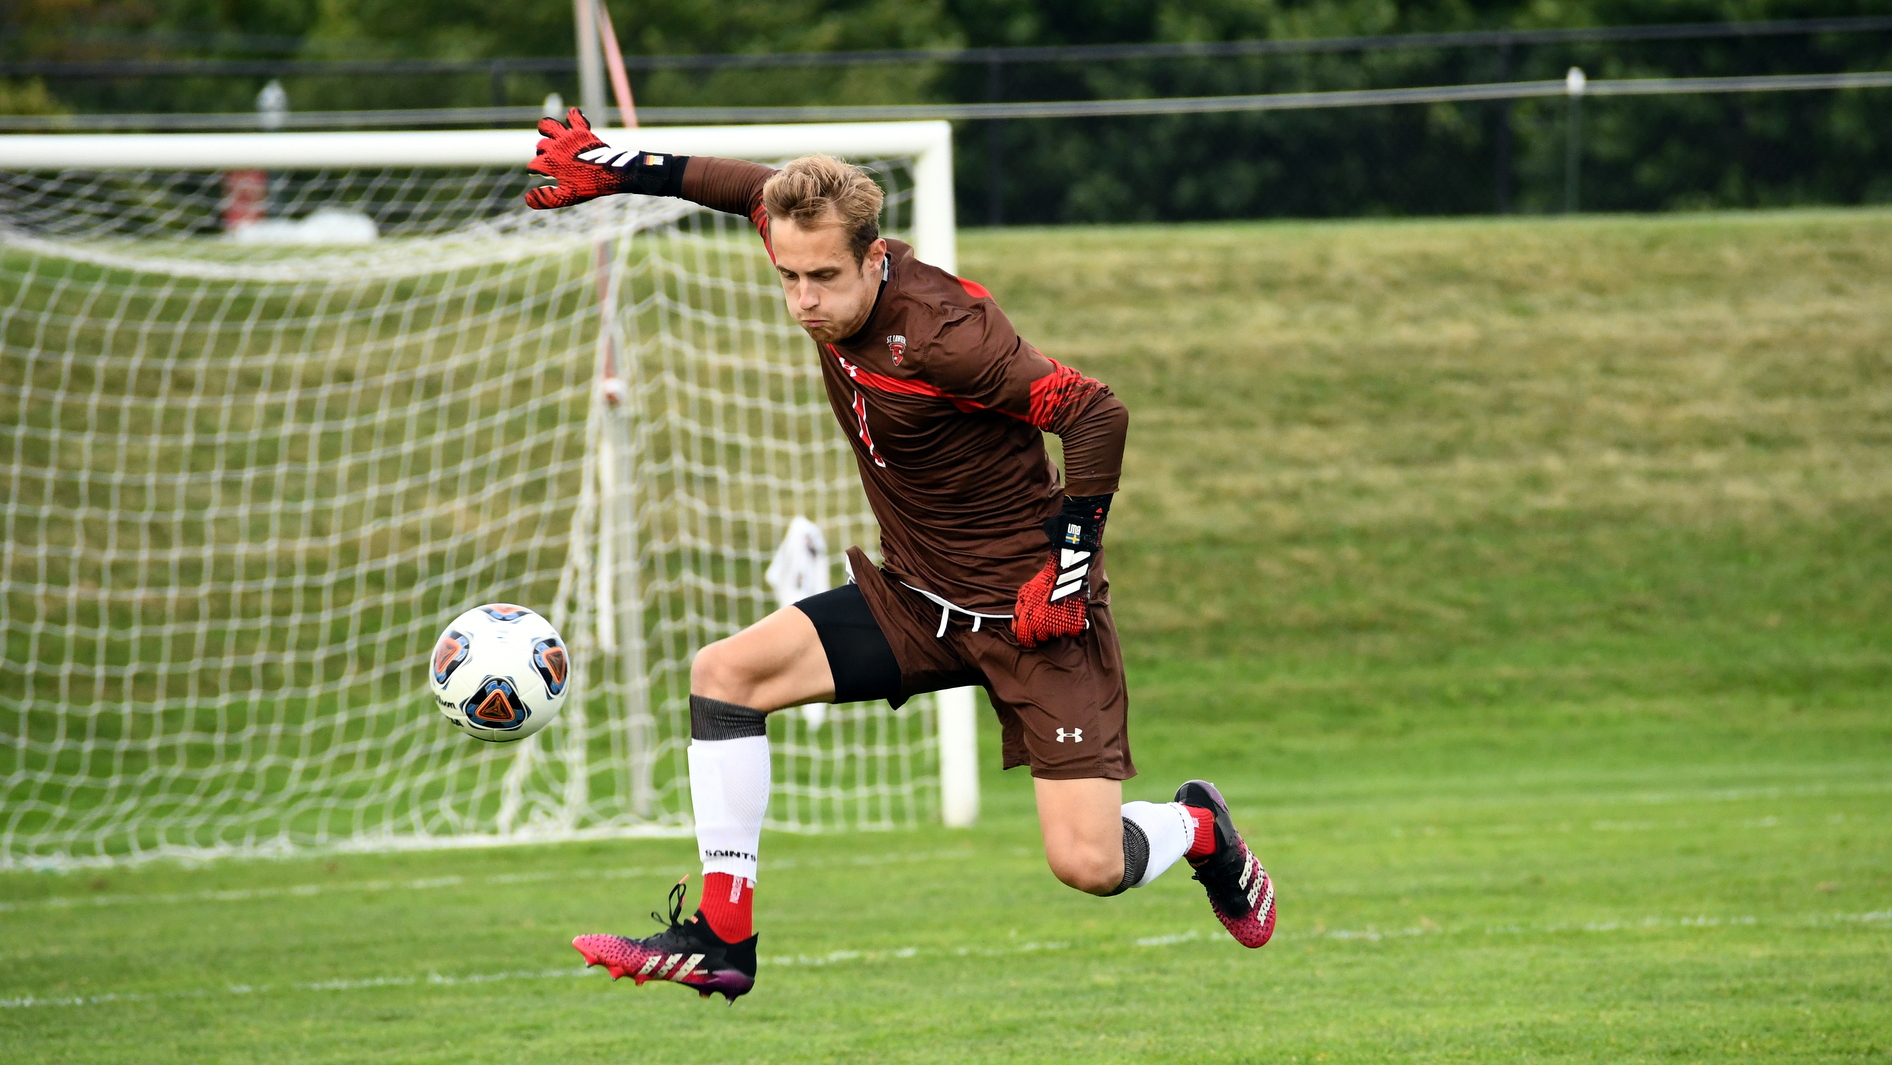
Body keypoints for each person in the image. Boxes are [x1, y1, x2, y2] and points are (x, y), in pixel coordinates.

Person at [524, 109, 1275, 1003]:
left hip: (1035, 620)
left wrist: (1068, 574)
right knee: (726, 674)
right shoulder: (804, 238)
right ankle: (724, 938)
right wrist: (619, 165)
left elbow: (1096, 413)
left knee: (1088, 863)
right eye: (789, 278)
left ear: (876, 259)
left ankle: (1198, 827)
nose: (805, 299)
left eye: (824, 278)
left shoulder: (950, 336)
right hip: (916, 602)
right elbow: (738, 188)